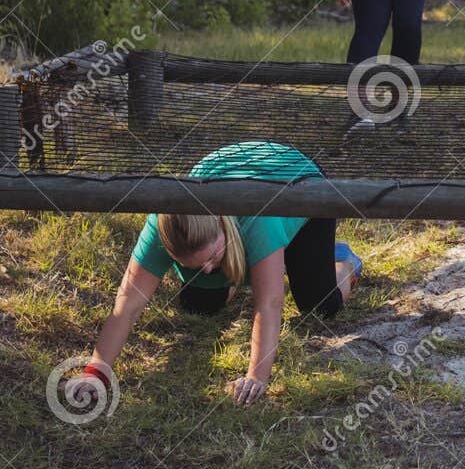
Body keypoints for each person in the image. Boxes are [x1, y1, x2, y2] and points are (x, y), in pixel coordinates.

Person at [72, 142, 361, 408]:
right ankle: (265, 263)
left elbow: (270, 304)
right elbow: (127, 303)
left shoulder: (258, 222)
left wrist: (255, 377)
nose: (208, 269)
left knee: (320, 306)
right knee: (200, 303)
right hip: (247, 188)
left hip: (300, 184)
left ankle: (342, 259)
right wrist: (96, 372)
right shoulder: (163, 227)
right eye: (194, 264)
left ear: (223, 227)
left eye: (212, 257)